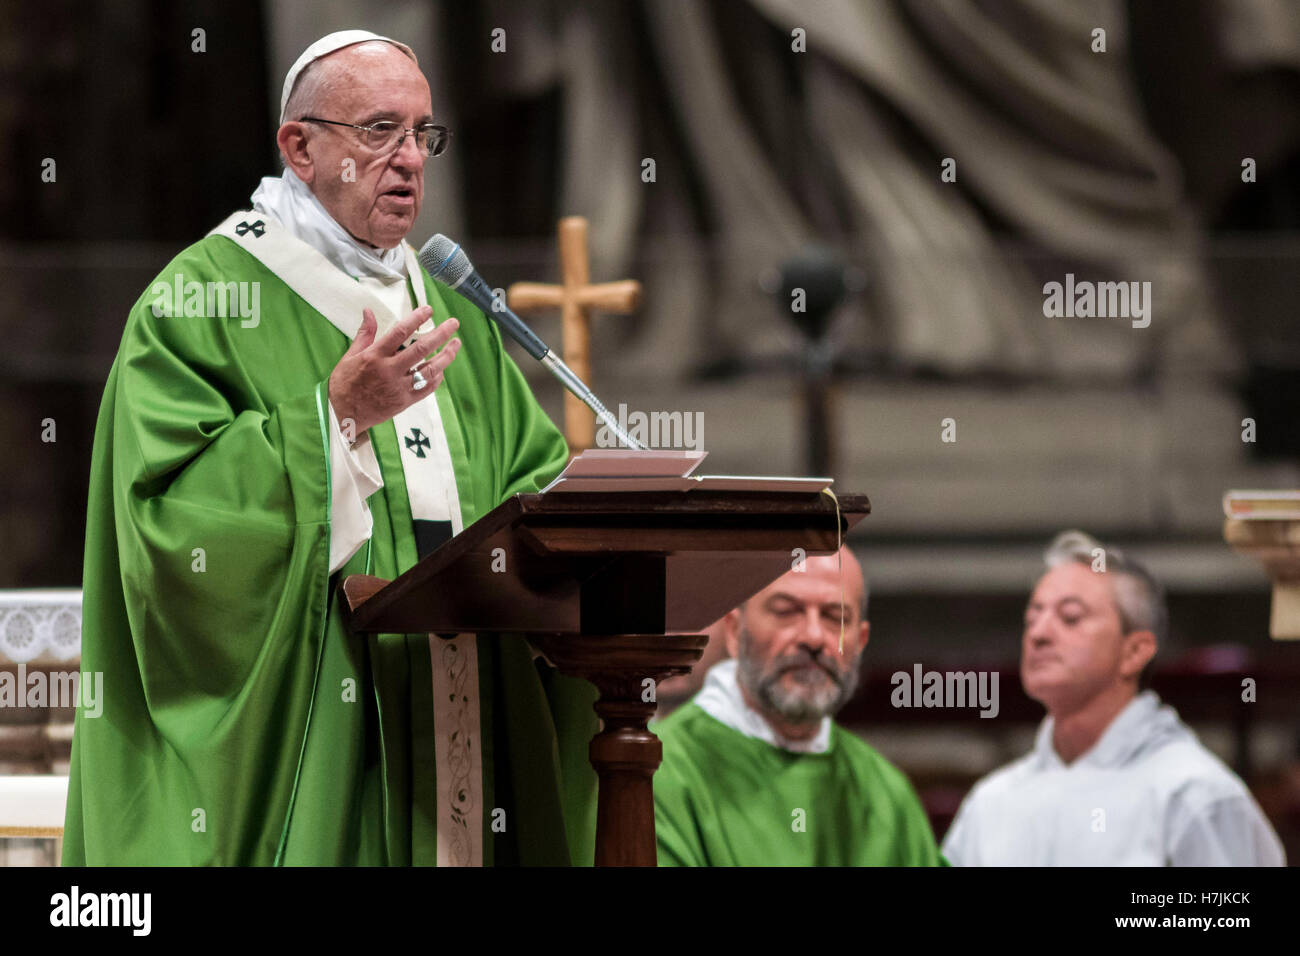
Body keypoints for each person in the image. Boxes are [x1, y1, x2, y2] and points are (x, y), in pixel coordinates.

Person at [63, 31, 597, 866]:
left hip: (466, 714)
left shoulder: (446, 301)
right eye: (380, 131)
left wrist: (612, 566)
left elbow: (529, 485)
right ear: (299, 146)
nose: (411, 160)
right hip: (328, 722)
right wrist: (331, 421)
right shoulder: (200, 300)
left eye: (423, 134)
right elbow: (166, 530)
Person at [943, 530, 1285, 866]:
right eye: (1032, 617)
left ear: (1134, 651)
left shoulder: (1194, 795)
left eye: (1070, 617)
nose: (1038, 633)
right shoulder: (990, 804)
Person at [653, 547, 946, 866]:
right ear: (736, 631)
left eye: (836, 617)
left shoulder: (887, 794)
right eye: (786, 611)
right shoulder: (657, 770)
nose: (814, 637)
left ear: (860, 642)